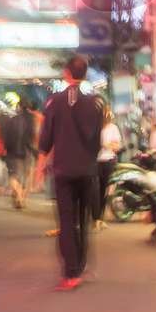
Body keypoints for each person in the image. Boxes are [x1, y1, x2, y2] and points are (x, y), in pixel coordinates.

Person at [39, 56, 105, 290]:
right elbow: (98, 141)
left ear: (67, 73)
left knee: (67, 221)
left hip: (63, 171)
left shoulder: (53, 102)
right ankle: (81, 265)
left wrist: (39, 168)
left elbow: (45, 139)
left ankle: (71, 272)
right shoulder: (97, 103)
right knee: (83, 219)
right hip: (87, 170)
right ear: (85, 74)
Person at [2, 99, 37, 210]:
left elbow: (6, 137)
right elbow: (33, 136)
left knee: (13, 176)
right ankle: (22, 198)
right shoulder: (32, 120)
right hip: (27, 151)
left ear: (19, 107)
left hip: (13, 151)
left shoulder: (12, 120)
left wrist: (6, 149)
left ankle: (19, 195)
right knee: (26, 176)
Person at [95, 107, 122, 230]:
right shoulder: (94, 126)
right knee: (94, 191)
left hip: (108, 161)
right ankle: (95, 218)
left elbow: (116, 145)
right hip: (94, 162)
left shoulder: (113, 128)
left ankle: (100, 218)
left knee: (104, 191)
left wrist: (107, 145)